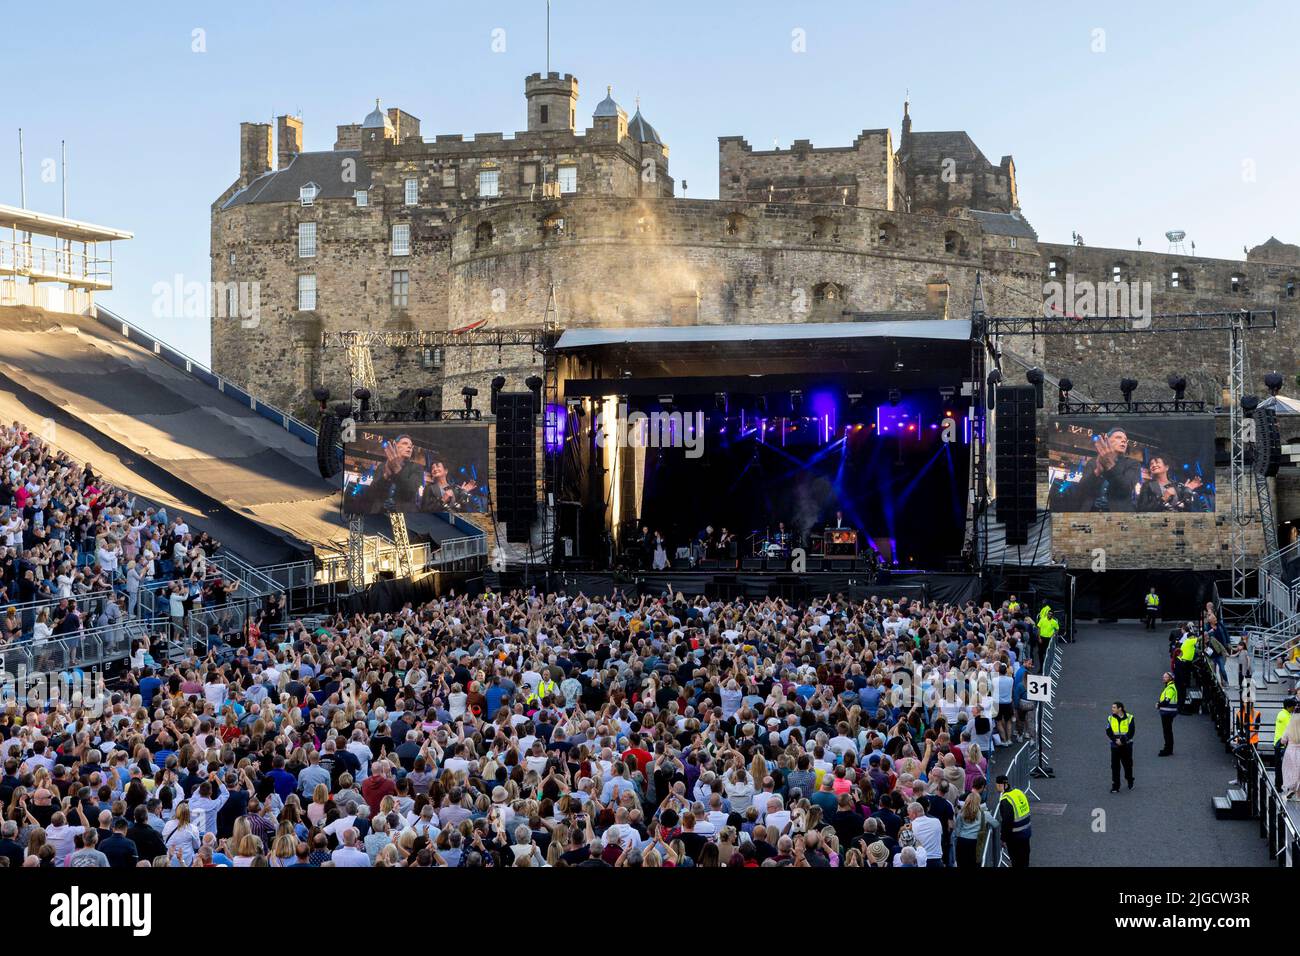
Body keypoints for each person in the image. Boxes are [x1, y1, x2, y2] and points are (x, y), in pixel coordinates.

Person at [994, 775, 1031, 867]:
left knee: (1016, 861)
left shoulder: (1006, 800)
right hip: (1026, 832)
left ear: (1000, 785)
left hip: (1015, 837)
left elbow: (1007, 822)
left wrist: (1003, 838)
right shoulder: (1019, 792)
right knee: (1025, 860)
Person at [1106, 701, 1135, 791]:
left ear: (1120, 708)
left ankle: (1130, 780)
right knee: (1115, 766)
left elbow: (1131, 732)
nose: (1112, 709)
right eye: (1112, 707)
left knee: (1127, 765)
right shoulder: (1110, 718)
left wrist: (1122, 741)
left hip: (1126, 746)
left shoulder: (1130, 718)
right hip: (1115, 746)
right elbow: (1108, 731)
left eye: (1114, 707)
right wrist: (1115, 740)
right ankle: (1115, 786)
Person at [1156, 672, 1178, 757]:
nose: (1163, 678)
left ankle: (1167, 749)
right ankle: (1169, 748)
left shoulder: (1170, 689)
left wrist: (1158, 704)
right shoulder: (1169, 687)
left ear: (1170, 679)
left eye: (1165, 677)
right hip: (1168, 712)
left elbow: (1166, 701)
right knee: (1168, 731)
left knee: (1167, 732)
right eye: (1163, 677)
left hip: (1168, 712)